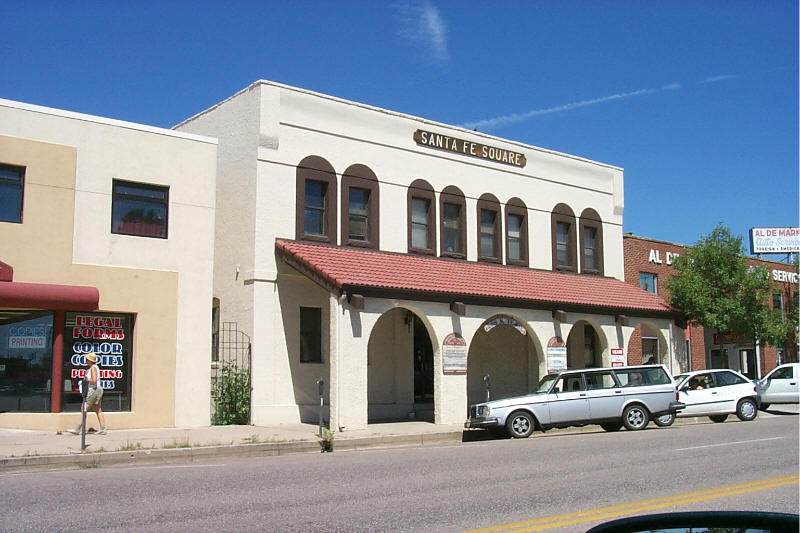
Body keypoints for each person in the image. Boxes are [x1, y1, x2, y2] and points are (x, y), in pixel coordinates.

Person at [68, 352, 106, 435]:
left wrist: (85, 380)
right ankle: (103, 428)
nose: (85, 360)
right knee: (97, 409)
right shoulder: (94, 367)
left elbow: (94, 380)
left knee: (84, 408)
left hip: (93, 390)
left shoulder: (93, 368)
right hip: (98, 389)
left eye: (87, 359)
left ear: (90, 360)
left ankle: (78, 428)